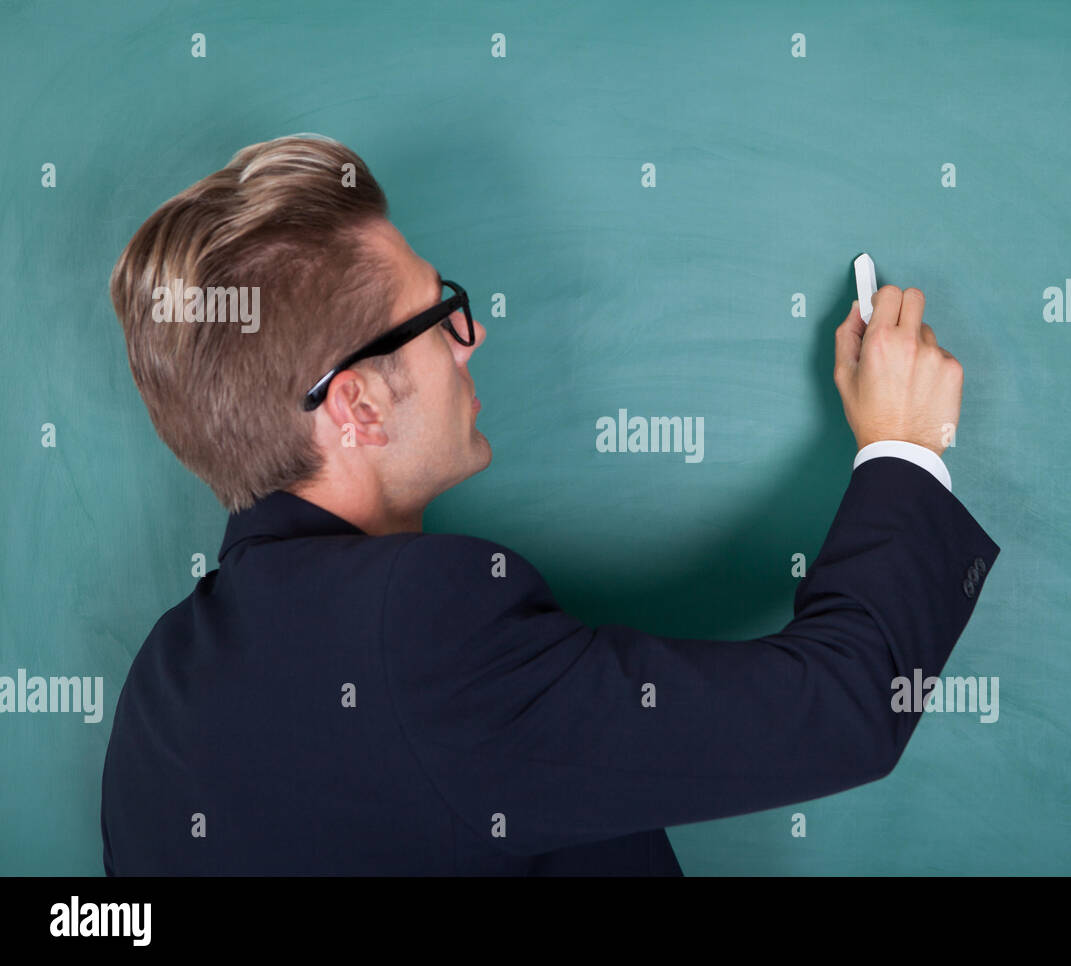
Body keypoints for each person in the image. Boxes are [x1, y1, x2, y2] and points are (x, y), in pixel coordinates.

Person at [101, 134, 999, 875]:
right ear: (357, 406)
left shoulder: (158, 693)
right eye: (438, 315)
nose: (472, 336)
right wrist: (906, 447)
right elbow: (839, 709)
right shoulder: (423, 625)